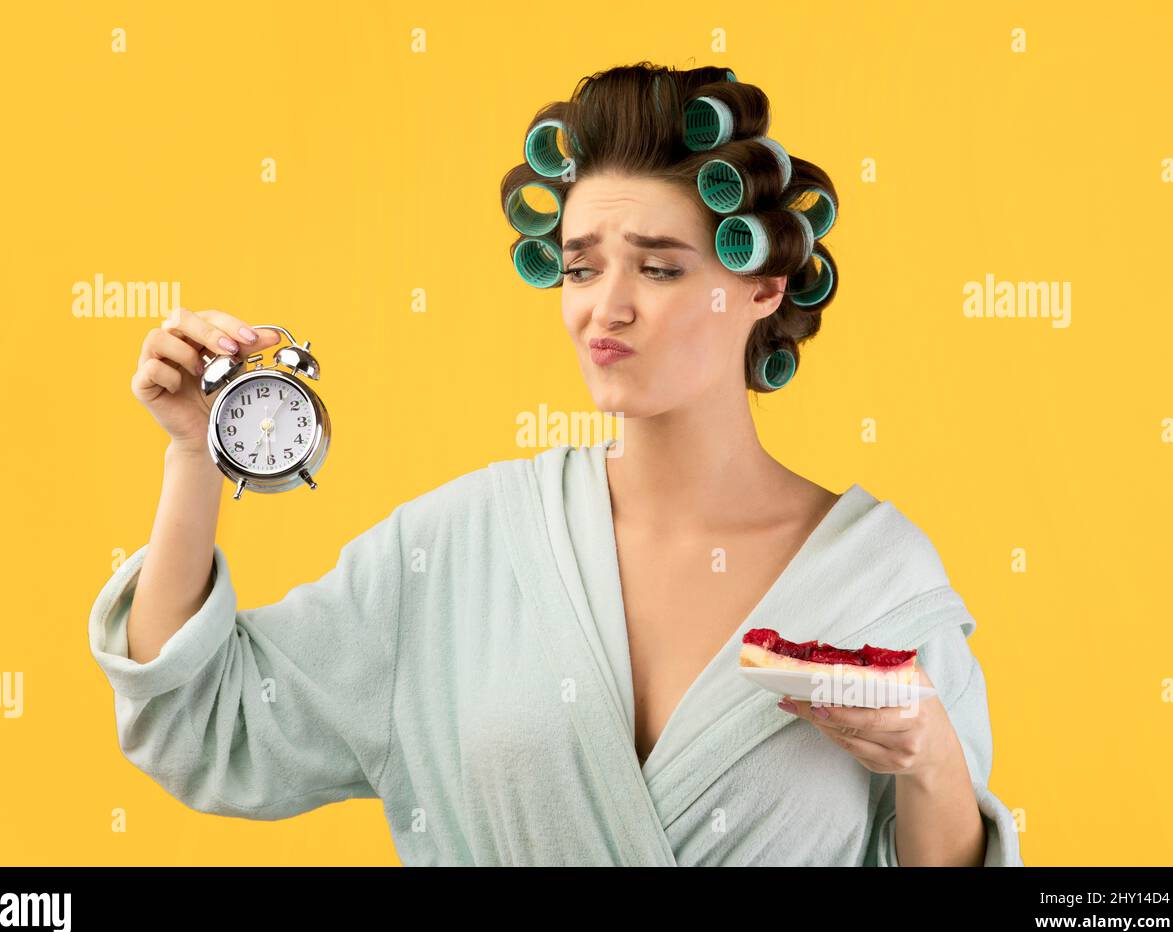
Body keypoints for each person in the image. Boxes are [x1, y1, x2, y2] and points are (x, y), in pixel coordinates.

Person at [88, 62, 1023, 866]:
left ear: (760, 284)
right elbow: (203, 720)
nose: (603, 309)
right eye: (580, 268)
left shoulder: (877, 582)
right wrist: (194, 457)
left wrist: (933, 759)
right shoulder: (456, 552)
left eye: (658, 269)